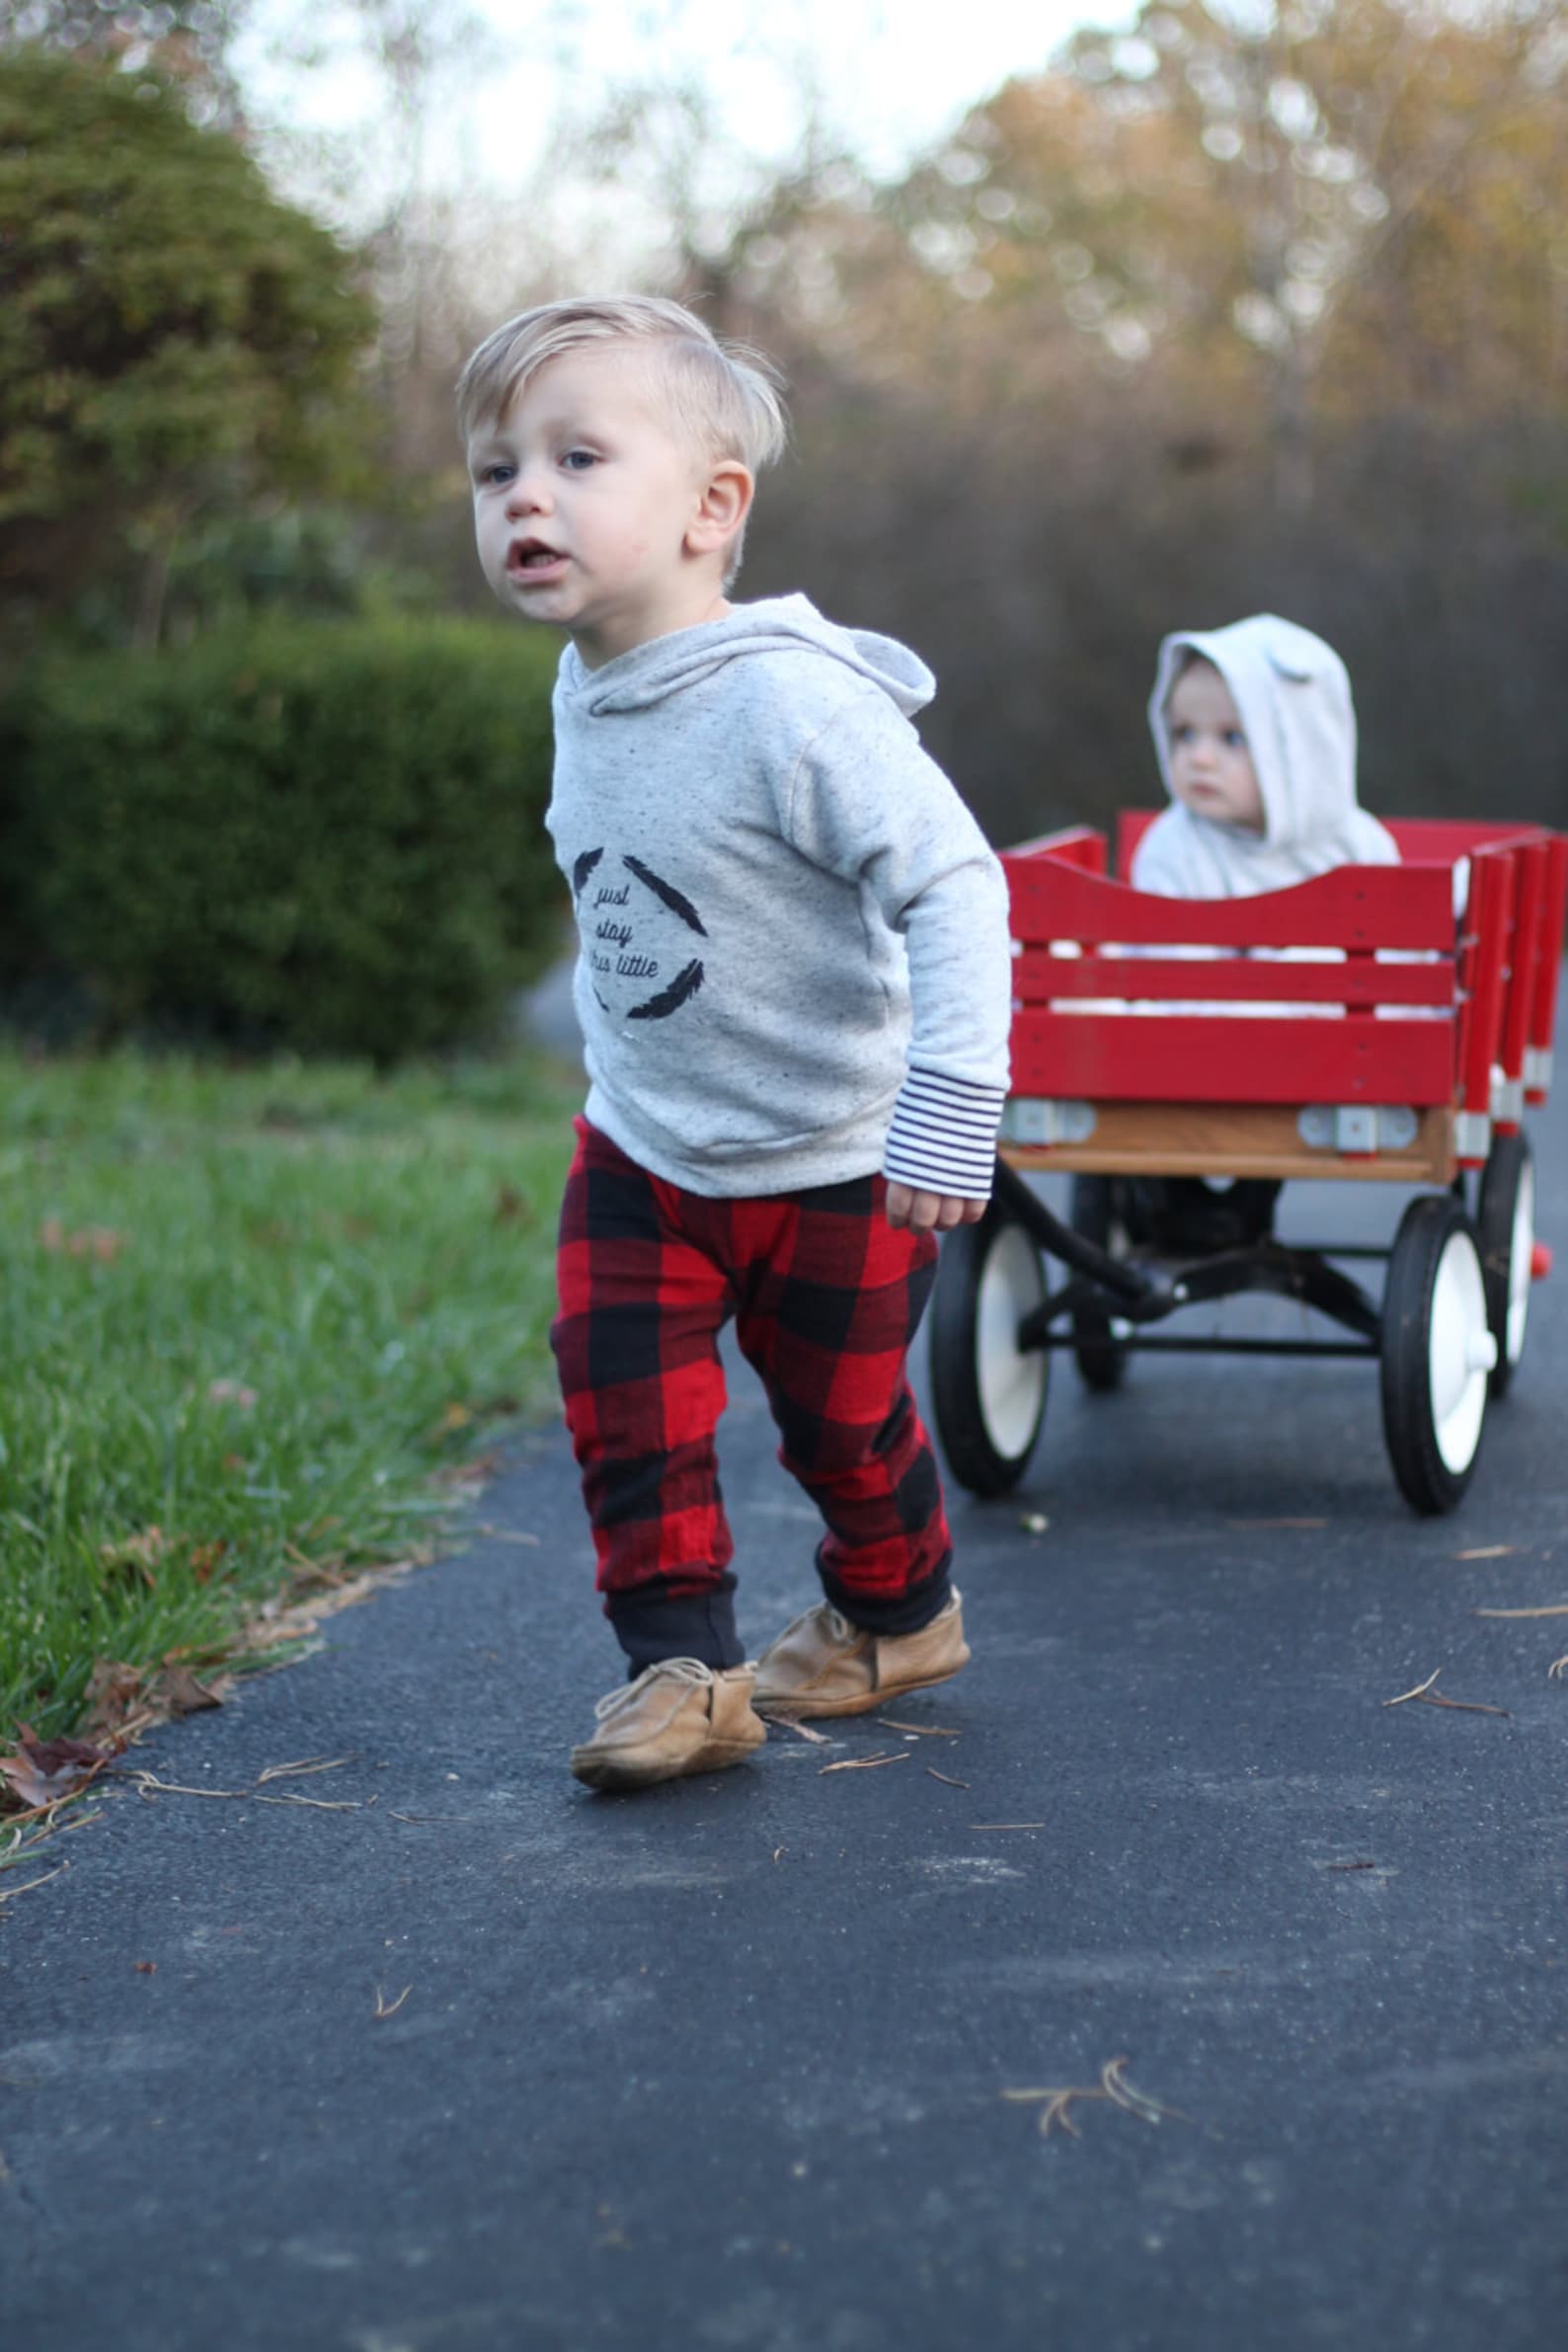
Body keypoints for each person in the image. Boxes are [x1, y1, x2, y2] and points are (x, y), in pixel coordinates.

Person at [455, 295, 1012, 1791]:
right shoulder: (587, 679)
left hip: (840, 1154)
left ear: (712, 508)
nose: (523, 495)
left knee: (843, 1424)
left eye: (577, 457)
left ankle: (900, 1615)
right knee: (622, 1395)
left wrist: (952, 1104)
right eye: (495, 467)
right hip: (645, 1141)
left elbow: (958, 882)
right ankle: (683, 1673)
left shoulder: (790, 704)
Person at [1128, 614, 1399, 1251]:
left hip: (1328, 1063)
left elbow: (1394, 968)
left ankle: (1245, 1202)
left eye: (1232, 738)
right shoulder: (1174, 848)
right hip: (1189, 1058)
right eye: (1183, 733)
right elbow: (1168, 976)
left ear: (1298, 748)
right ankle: (1177, 1203)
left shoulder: (1356, 845)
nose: (1197, 755)